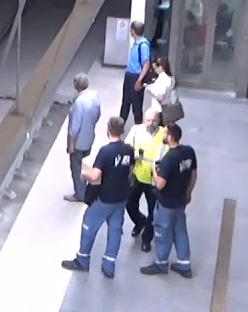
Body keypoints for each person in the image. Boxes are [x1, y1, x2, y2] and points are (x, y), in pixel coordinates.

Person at [61, 117, 135, 279]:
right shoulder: (128, 150)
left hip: (105, 198)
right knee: (115, 230)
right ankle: (109, 265)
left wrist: (83, 172)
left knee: (89, 225)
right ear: (122, 131)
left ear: (108, 129)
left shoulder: (106, 151)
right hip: (121, 197)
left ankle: (82, 259)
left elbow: (95, 176)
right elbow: (130, 170)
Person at [141, 122, 198, 278]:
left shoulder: (169, 158)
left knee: (162, 233)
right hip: (181, 201)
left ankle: (160, 263)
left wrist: (154, 170)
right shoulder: (189, 152)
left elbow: (160, 184)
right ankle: (184, 265)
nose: (163, 135)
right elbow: (193, 174)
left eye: (165, 133)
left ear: (171, 137)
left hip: (166, 204)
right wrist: (188, 193)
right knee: (180, 231)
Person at [123, 108, 166, 252]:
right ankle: (139, 221)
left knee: (153, 212)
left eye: (154, 120)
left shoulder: (164, 134)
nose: (150, 123)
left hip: (154, 180)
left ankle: (146, 239)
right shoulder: (136, 130)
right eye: (148, 120)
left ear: (159, 120)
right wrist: (132, 153)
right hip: (137, 175)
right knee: (129, 204)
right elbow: (127, 145)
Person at [63, 73, 101, 203]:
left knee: (76, 167)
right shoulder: (94, 96)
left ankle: (80, 194)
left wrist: (71, 145)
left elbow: (74, 127)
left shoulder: (79, 102)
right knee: (84, 163)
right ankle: (85, 187)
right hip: (89, 137)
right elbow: (97, 115)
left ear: (76, 85)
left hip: (79, 142)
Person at [120, 20, 152, 125]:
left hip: (136, 77)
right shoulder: (136, 44)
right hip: (129, 76)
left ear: (133, 31)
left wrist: (139, 80)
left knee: (137, 107)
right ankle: (120, 127)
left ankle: (139, 128)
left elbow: (146, 63)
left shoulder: (143, 45)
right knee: (125, 104)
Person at [145, 56, 175, 122]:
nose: (155, 71)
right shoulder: (169, 78)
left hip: (159, 110)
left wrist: (151, 90)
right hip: (164, 109)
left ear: (160, 67)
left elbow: (161, 97)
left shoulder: (164, 79)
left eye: (155, 68)